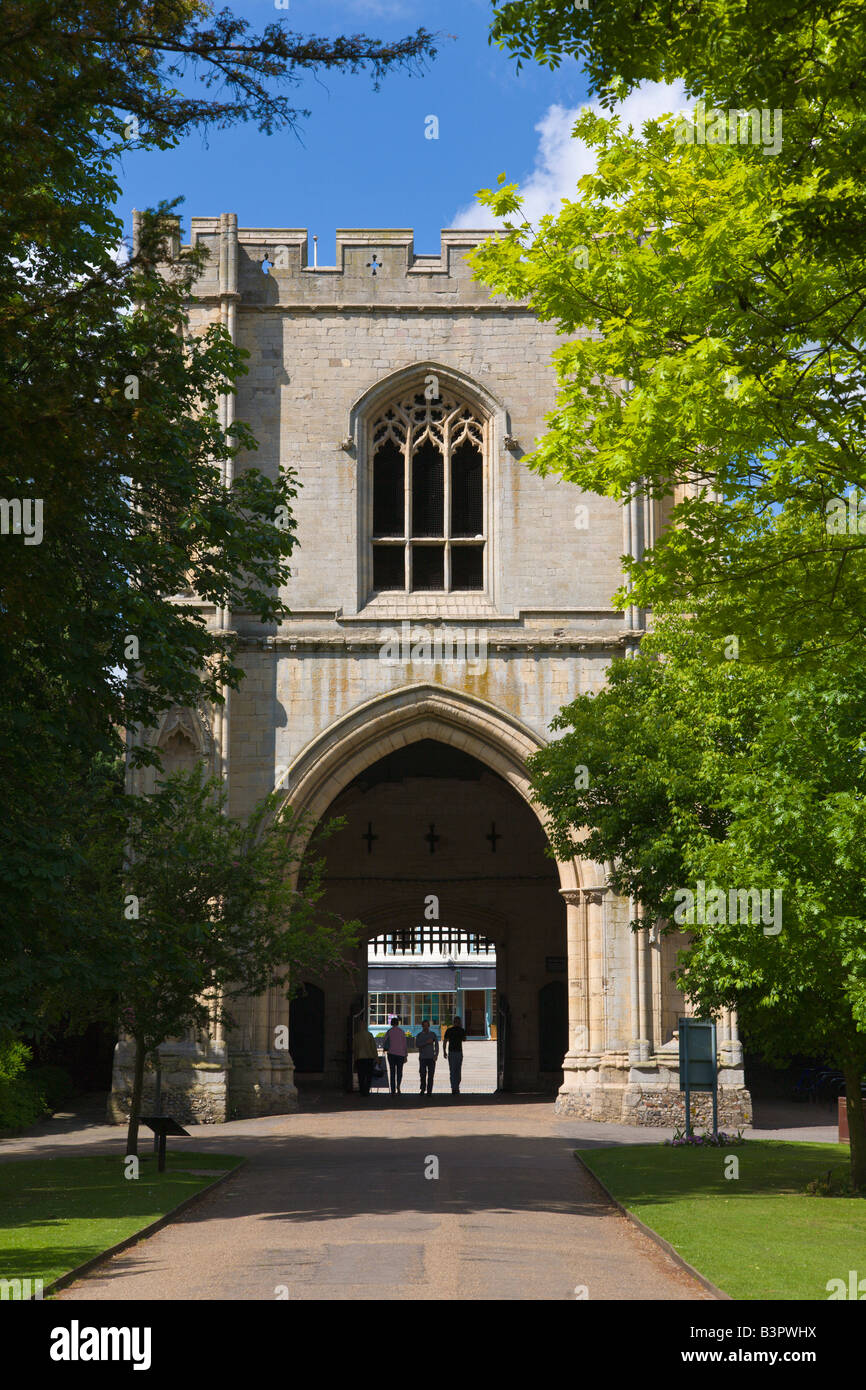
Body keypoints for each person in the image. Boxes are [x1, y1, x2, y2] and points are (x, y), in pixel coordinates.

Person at [381, 1015, 408, 1094]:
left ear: (391, 1023)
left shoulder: (389, 1032)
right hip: (400, 1054)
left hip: (391, 1054)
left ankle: (393, 1090)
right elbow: (404, 1044)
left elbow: (384, 1042)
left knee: (392, 1072)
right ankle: (398, 1086)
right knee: (399, 1071)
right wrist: (406, 1055)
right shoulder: (401, 1032)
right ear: (398, 1023)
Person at [443, 1016, 467, 1095]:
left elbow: (445, 1041)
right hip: (458, 1052)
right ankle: (456, 1087)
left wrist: (444, 1051)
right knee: (458, 1070)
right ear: (459, 1022)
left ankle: (454, 1087)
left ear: (453, 1022)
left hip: (452, 1052)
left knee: (452, 1071)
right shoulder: (462, 1030)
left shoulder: (449, 1030)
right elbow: (464, 1039)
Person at [353, 1020, 379, 1096]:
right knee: (368, 1076)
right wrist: (376, 1058)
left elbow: (354, 1048)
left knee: (361, 1076)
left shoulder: (356, 1036)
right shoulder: (369, 1035)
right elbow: (373, 1048)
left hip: (359, 1058)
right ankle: (367, 1091)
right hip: (369, 1058)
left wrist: (354, 1059)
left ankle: (361, 1091)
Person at [415, 1019, 439, 1095]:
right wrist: (426, 1042)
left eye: (426, 1025)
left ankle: (429, 1091)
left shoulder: (433, 1034)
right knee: (422, 1074)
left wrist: (436, 1055)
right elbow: (417, 1045)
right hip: (422, 1058)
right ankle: (422, 1089)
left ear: (429, 1026)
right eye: (424, 1025)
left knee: (431, 1075)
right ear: (422, 1026)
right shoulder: (419, 1035)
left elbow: (437, 1045)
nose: (425, 1027)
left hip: (431, 1058)